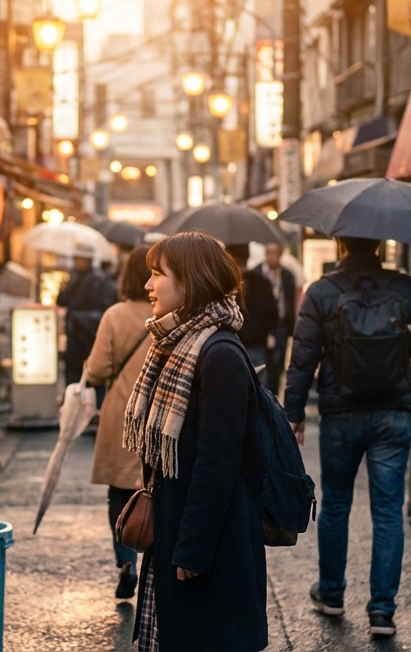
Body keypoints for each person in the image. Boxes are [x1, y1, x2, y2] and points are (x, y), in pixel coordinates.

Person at [284, 236, 411, 637]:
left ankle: (332, 593)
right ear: (382, 243)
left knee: (335, 504)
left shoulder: (321, 291)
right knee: (388, 511)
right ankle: (382, 610)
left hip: (340, 413)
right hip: (393, 412)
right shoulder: (405, 287)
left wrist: (294, 414)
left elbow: (302, 358)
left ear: (339, 243)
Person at [126, 232, 267, 652]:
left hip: (209, 546)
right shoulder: (178, 343)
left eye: (157, 275)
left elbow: (217, 463)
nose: (148, 286)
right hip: (179, 530)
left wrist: (193, 548)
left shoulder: (218, 353)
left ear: (189, 281)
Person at [84, 246, 152, 600]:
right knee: (159, 489)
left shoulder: (115, 314)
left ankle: (126, 561)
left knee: (121, 491)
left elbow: (97, 370)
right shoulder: (173, 314)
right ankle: (157, 561)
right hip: (162, 413)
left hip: (122, 413)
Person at [58, 245, 117, 384]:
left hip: (90, 336)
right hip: (73, 336)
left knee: (90, 378)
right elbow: (62, 301)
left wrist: (81, 318)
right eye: (77, 259)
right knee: (72, 376)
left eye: (82, 259)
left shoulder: (100, 280)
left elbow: (105, 310)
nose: (79, 262)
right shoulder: (72, 277)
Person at [225, 243, 278, 372]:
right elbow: (273, 316)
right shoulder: (263, 283)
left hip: (230, 345)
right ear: (248, 257)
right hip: (257, 344)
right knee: (257, 387)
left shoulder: (224, 285)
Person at [257, 243, 300, 394]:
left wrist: (291, 327)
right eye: (269, 252)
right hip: (262, 326)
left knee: (278, 363)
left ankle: (273, 395)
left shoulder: (287, 275)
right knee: (262, 363)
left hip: (281, 324)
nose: (271, 256)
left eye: (275, 253)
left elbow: (291, 302)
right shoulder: (257, 273)